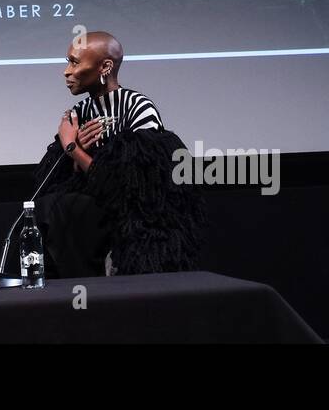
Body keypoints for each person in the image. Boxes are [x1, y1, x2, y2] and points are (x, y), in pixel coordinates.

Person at [32, 31, 206, 277]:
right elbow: (60, 183)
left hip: (134, 221)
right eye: (67, 62)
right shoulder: (79, 112)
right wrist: (73, 152)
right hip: (89, 221)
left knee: (70, 208)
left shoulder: (138, 109)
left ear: (105, 66)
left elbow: (130, 191)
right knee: (49, 207)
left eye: (75, 62)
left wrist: (72, 148)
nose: (66, 71)